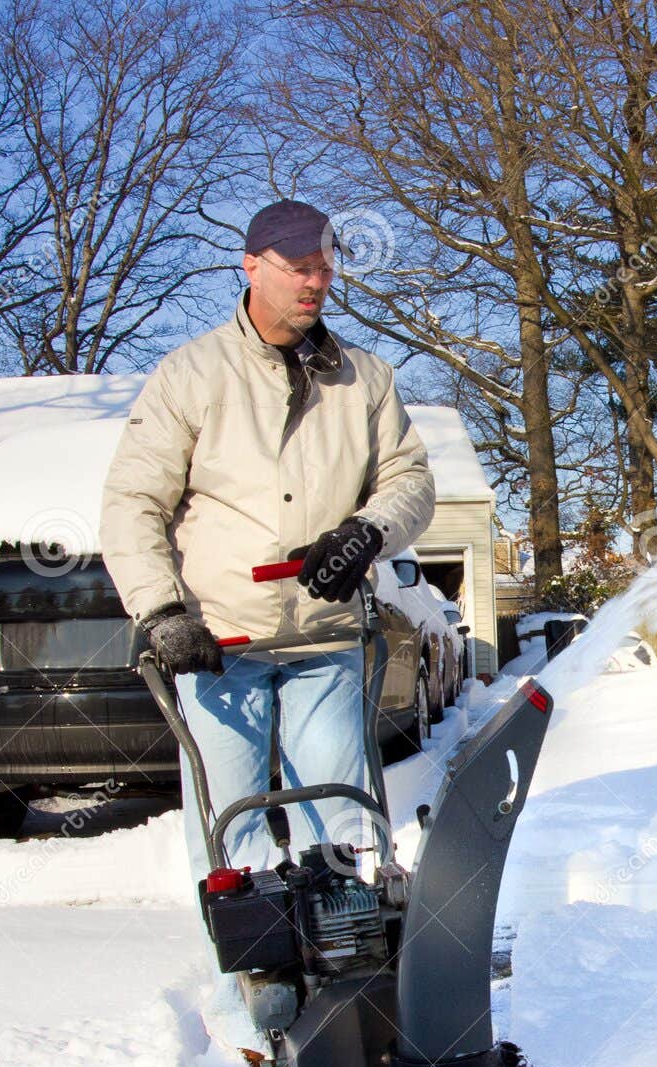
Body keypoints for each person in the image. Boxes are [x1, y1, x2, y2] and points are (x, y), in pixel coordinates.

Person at [99, 199, 435, 880]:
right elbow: (132, 502)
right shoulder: (190, 377)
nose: (315, 282)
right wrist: (161, 612)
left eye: (326, 268)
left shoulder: (363, 379)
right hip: (218, 647)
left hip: (325, 641)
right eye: (297, 268)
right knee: (232, 833)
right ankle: (250, 983)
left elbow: (411, 480)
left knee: (344, 831)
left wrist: (368, 533)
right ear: (252, 266)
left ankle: (345, 967)